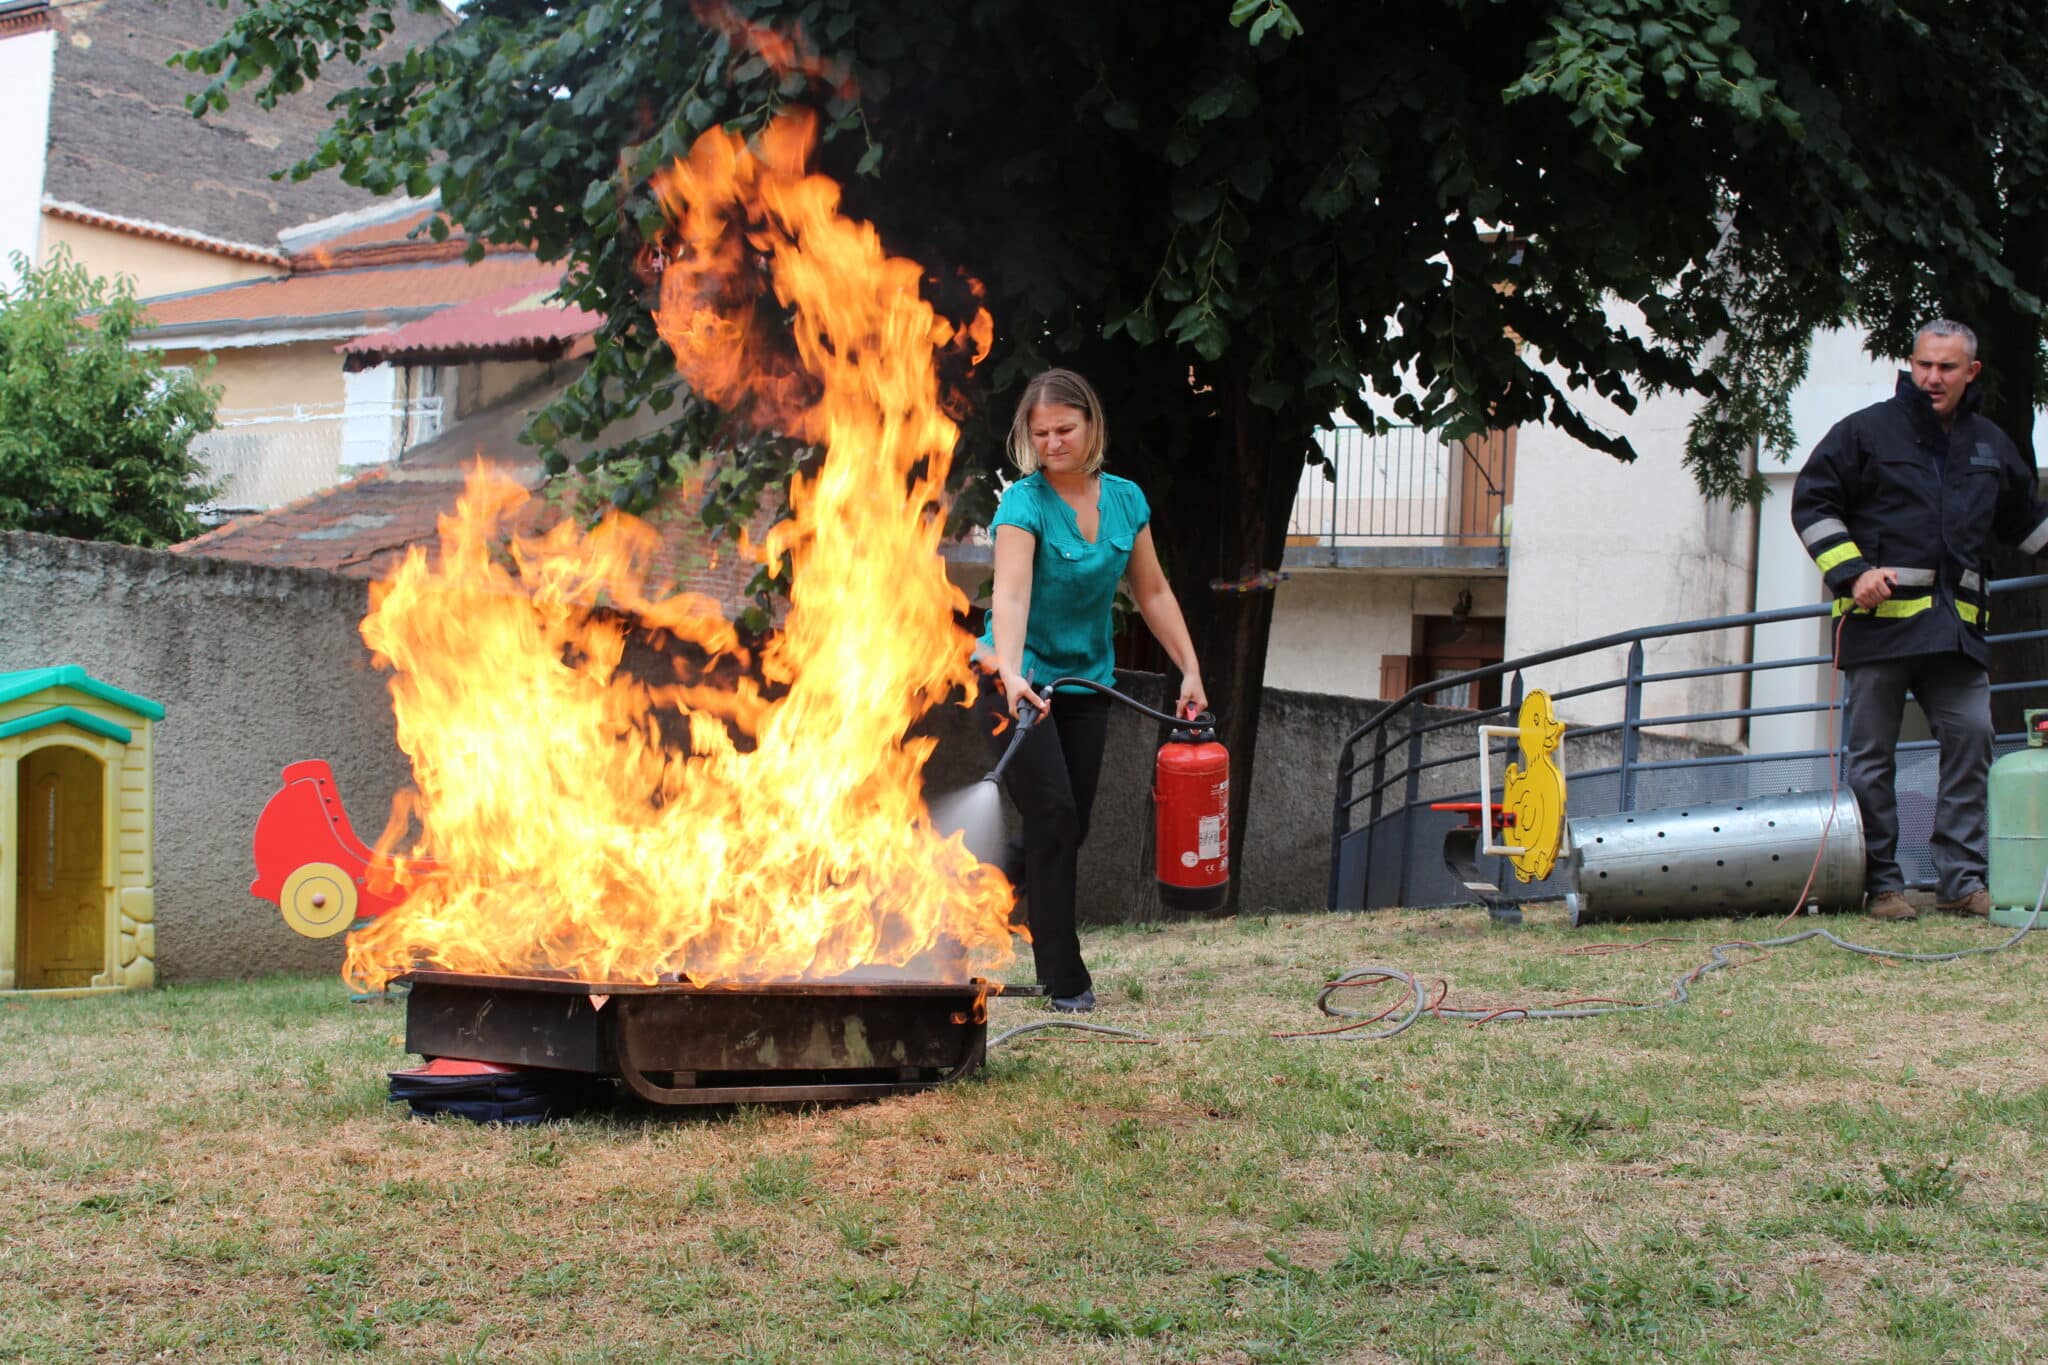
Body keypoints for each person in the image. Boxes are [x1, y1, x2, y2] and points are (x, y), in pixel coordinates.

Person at [1792, 319, 2048, 921]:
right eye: (1923, 364)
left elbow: (2025, 522)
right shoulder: (1864, 431)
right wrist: (1852, 572)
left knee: (1973, 739)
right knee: (1872, 757)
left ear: (1971, 372)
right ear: (1911, 363)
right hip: (1879, 627)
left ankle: (1961, 881)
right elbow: (1813, 503)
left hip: (1955, 632)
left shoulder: (1989, 444)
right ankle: (1882, 884)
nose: (1932, 377)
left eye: (1946, 367)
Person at [974, 368, 1207, 1012]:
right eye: (1040, 433)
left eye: (1065, 429)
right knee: (1053, 818)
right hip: (1011, 681)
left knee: (1066, 830)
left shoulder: (1126, 501)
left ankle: (964, 898)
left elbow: (1153, 592)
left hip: (1085, 685)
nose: (1052, 443)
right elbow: (1010, 595)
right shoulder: (1022, 504)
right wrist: (1012, 673)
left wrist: (1190, 669)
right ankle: (1065, 980)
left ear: (1091, 426)